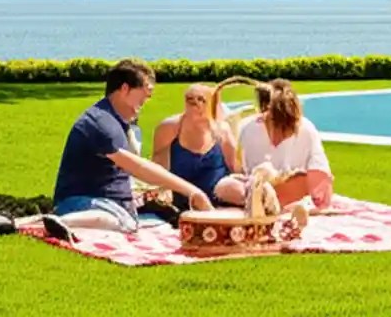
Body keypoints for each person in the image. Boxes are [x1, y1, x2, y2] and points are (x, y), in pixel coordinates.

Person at [44, 59, 214, 242]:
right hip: (80, 203)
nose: (148, 97)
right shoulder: (102, 123)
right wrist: (193, 192)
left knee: (144, 217)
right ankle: (65, 222)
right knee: (124, 222)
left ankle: (69, 222)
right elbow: (137, 167)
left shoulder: (114, 120)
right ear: (125, 89)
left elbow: (125, 171)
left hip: (102, 200)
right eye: (145, 90)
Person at [238, 78, 334, 209]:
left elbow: (320, 174)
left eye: (287, 125)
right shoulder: (248, 130)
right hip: (253, 191)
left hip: (293, 196)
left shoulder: (306, 130)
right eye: (276, 124)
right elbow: (239, 171)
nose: (281, 131)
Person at [150, 83, 246, 210]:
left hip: (218, 202)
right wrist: (163, 190)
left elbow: (234, 166)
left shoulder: (222, 131)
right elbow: (159, 169)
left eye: (201, 100)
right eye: (190, 100)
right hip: (180, 202)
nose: (195, 104)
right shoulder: (169, 128)